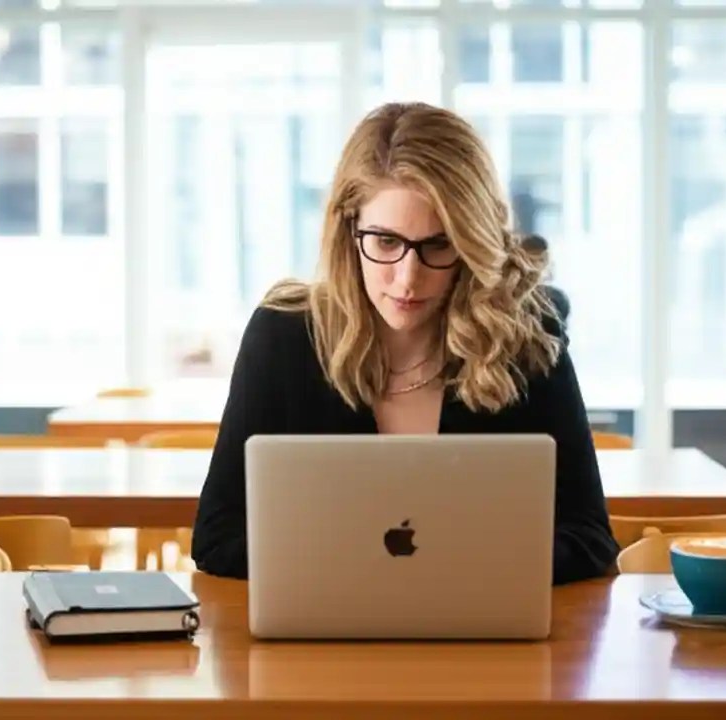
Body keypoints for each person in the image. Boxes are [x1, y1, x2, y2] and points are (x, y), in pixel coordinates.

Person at [190, 102, 617, 585]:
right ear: (348, 230)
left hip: (482, 641)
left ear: (472, 243)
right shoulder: (284, 337)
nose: (408, 279)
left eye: (438, 246)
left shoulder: (523, 339)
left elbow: (589, 538)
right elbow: (217, 537)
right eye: (386, 243)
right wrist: (371, 569)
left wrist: (452, 571)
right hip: (323, 644)